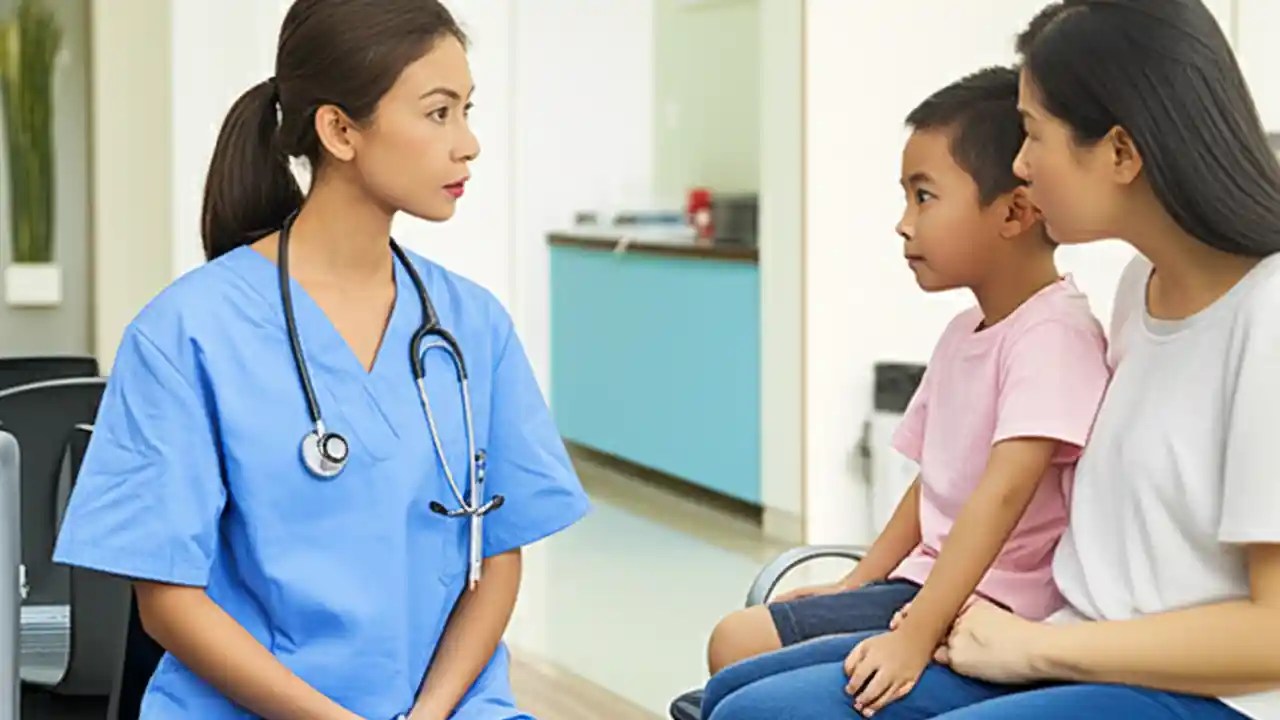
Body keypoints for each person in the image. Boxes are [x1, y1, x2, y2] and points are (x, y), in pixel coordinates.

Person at [698, 1, 1280, 718]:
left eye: (1033, 133)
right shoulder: (1142, 288)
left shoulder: (1266, 317)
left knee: (761, 713)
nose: (1020, 165)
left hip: (1182, 691)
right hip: (1071, 649)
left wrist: (1036, 649)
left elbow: (1274, 636)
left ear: (1121, 153)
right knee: (733, 695)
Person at [51, 1, 590, 718]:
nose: (468, 144)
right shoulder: (185, 334)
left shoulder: (473, 326)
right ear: (339, 131)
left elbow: (497, 553)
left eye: (467, 110)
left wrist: (430, 712)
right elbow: (167, 603)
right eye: (438, 113)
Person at [702, 65, 1111, 714]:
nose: (903, 223)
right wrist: (856, 582)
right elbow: (932, 484)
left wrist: (917, 634)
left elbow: (1003, 495)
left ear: (1014, 211)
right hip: (920, 587)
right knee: (734, 653)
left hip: (988, 608)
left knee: (737, 647)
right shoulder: (964, 331)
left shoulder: (1054, 334)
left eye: (924, 197)